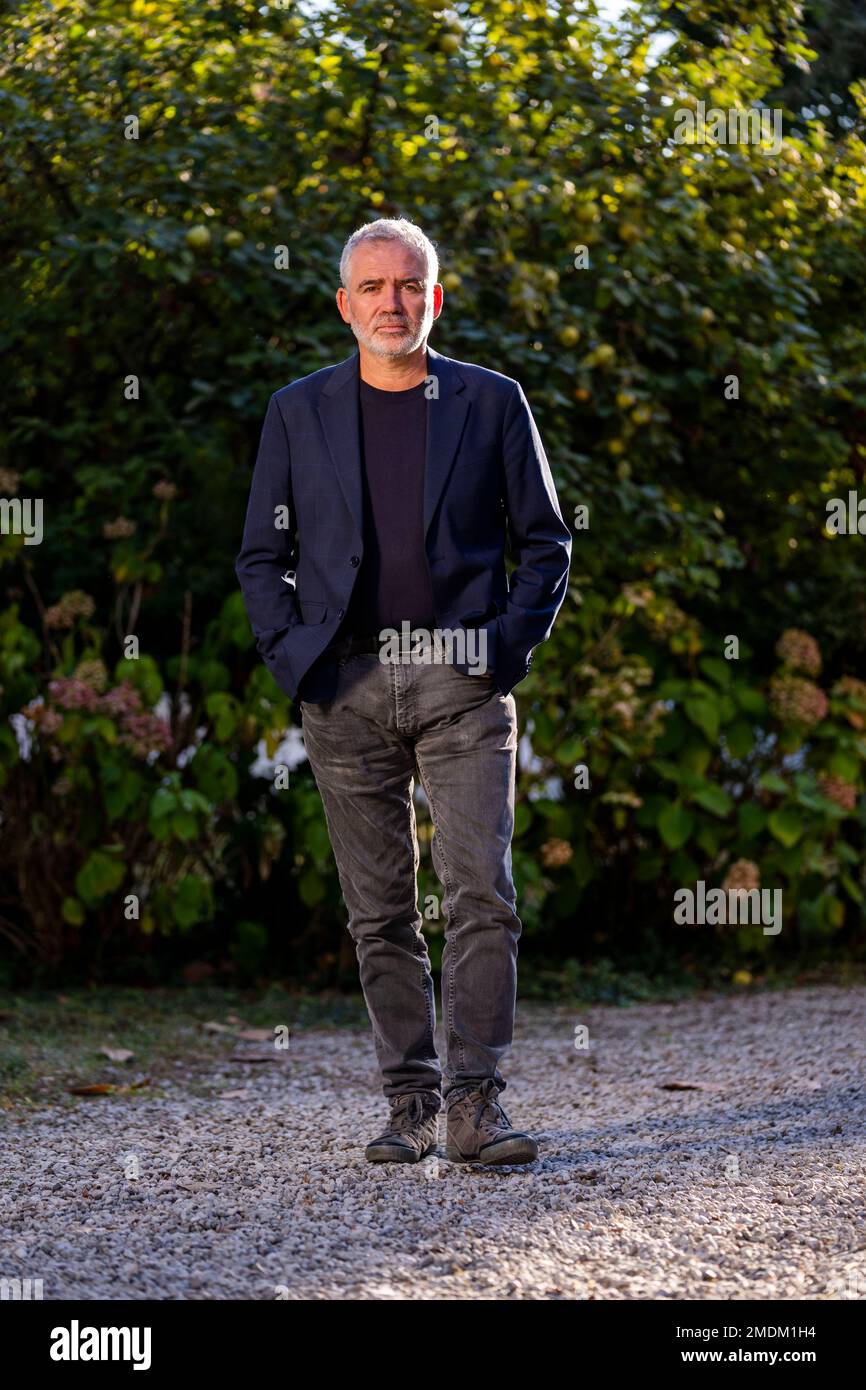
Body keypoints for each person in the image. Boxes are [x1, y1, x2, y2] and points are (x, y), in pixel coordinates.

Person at [235, 216, 571, 1166]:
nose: (393, 302)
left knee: (482, 895)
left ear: (435, 295)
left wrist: (502, 652)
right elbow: (263, 555)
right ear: (345, 304)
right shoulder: (297, 411)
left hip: (463, 682)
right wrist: (296, 659)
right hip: (345, 685)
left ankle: (475, 1104)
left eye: (409, 285)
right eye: (373, 287)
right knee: (377, 909)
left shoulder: (492, 402)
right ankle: (409, 1101)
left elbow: (545, 542)